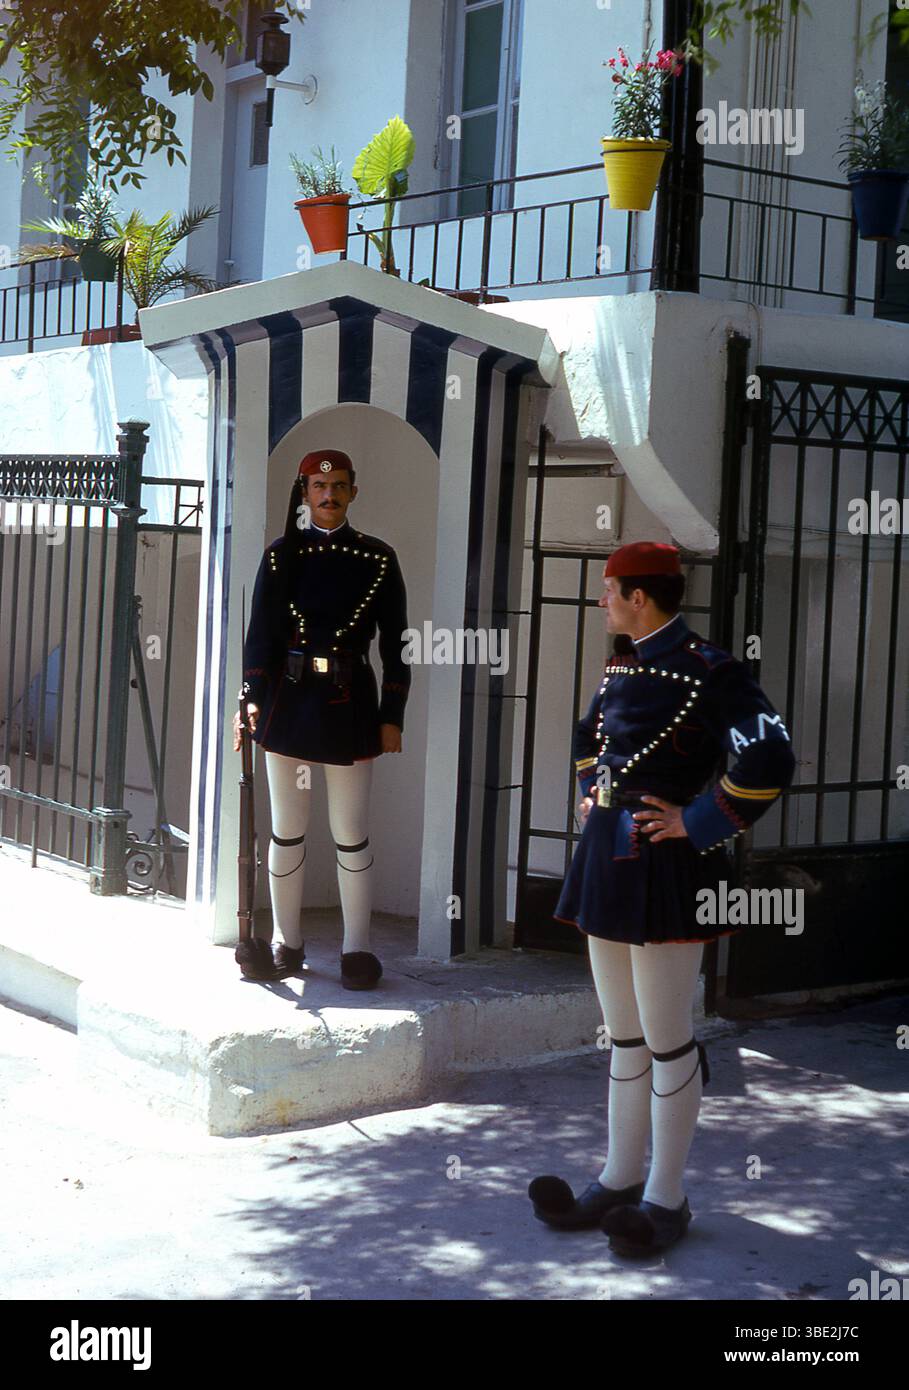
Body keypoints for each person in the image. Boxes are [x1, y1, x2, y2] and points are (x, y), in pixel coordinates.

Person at [528, 541, 796, 1256]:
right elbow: (589, 740)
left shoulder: (713, 670)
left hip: (667, 870)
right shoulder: (623, 664)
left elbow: (770, 752)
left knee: (667, 1036)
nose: (601, 603)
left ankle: (665, 1199)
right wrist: (591, 793)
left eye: (609, 591)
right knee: (622, 1033)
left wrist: (697, 821)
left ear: (638, 597)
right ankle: (617, 1179)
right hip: (607, 861)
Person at [232, 448, 410, 990]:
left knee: (350, 833)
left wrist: (392, 714)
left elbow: (397, 646)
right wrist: (251, 699)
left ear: (354, 492)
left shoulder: (378, 559)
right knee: (287, 832)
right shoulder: (281, 557)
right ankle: (288, 942)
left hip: (350, 701)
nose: (328, 496)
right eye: (317, 487)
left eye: (338, 487)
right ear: (304, 492)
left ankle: (357, 950)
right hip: (288, 701)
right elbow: (260, 636)